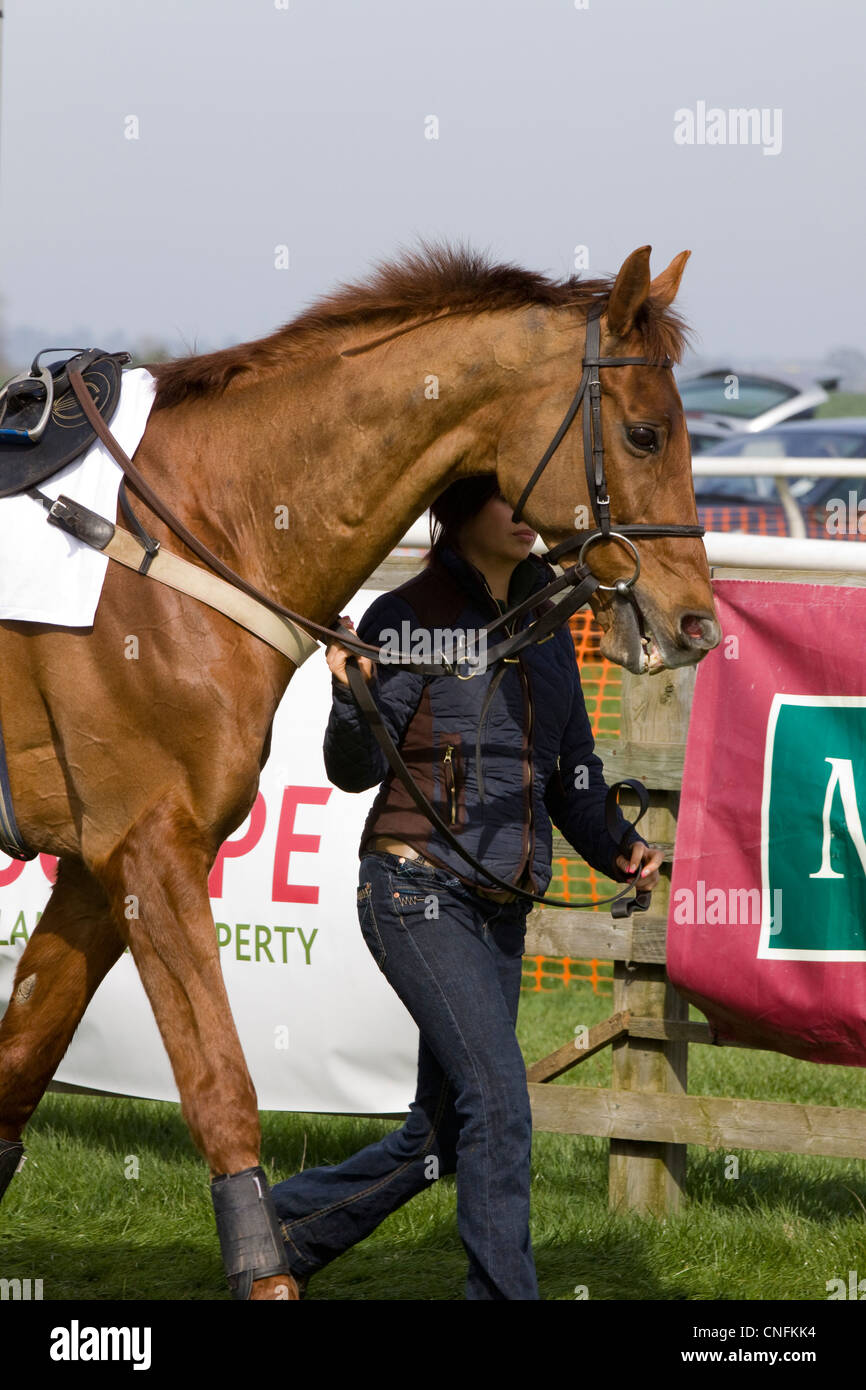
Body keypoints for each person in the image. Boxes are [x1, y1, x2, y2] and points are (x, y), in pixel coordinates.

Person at [270, 475, 664, 1300]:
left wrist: (620, 846)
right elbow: (357, 772)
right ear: (458, 508)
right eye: (504, 499)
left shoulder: (554, 630)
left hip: (500, 904)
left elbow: (573, 782)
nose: (525, 516)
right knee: (500, 1101)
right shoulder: (404, 617)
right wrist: (350, 697)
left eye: (532, 499)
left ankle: (289, 1227)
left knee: (438, 1137)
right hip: (413, 890)